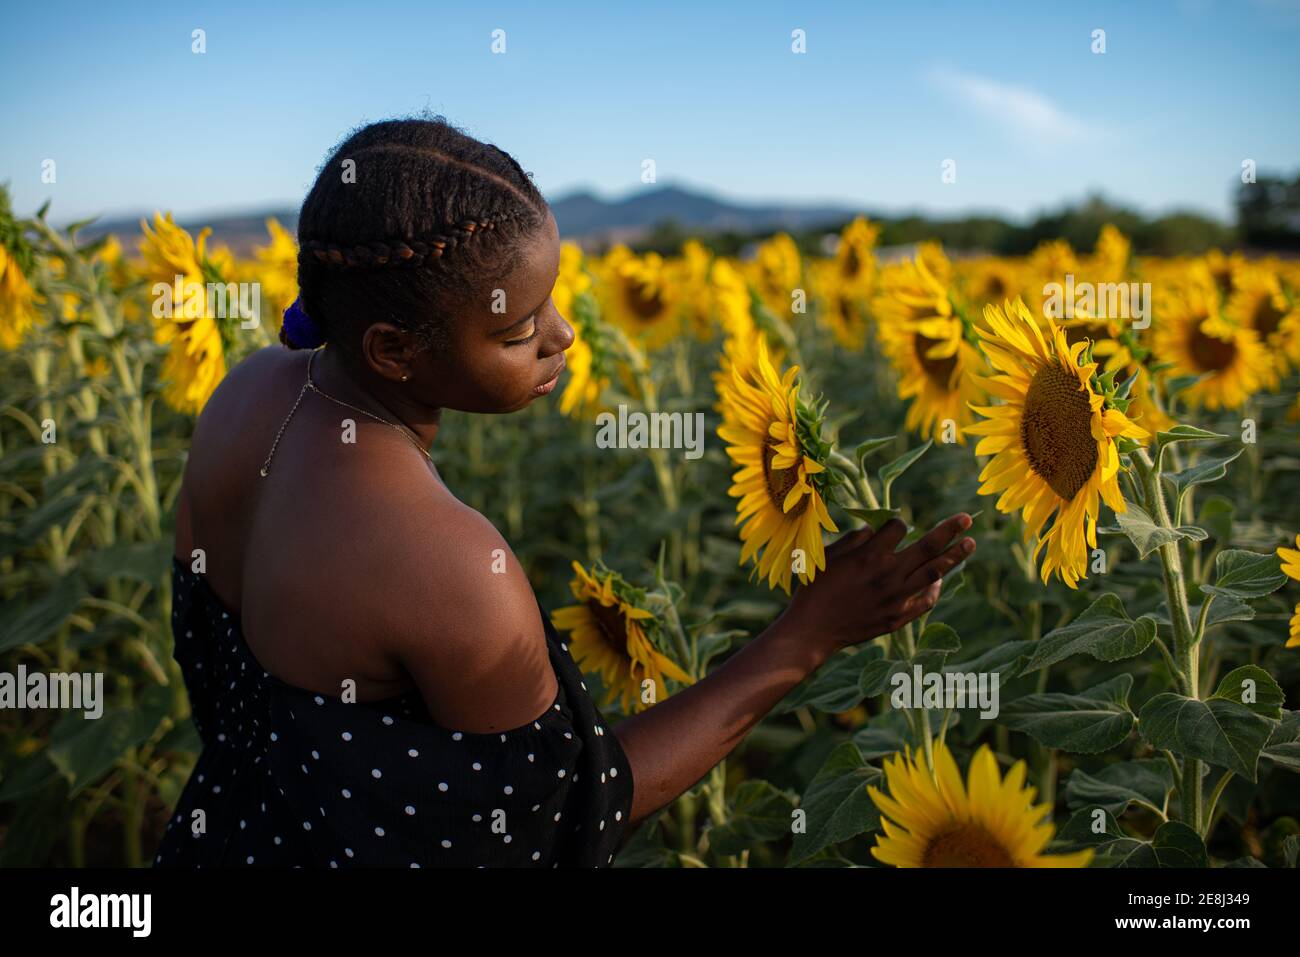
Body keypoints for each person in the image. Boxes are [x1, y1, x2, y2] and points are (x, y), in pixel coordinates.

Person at [154, 116, 975, 868]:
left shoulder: (245, 392)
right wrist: (809, 633)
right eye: (518, 331)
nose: (562, 335)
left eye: (553, 299)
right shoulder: (452, 568)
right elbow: (572, 810)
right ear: (395, 348)